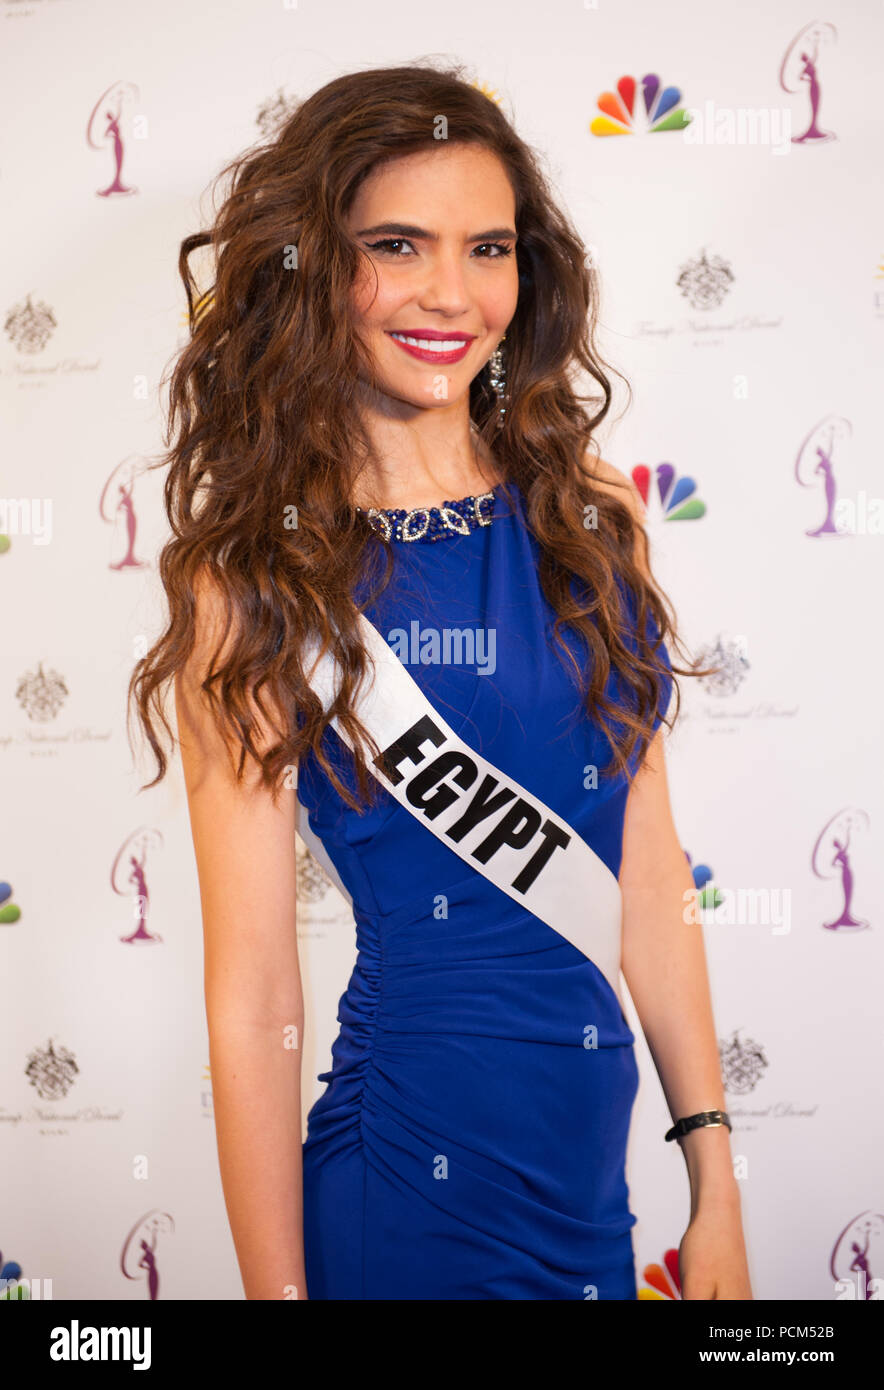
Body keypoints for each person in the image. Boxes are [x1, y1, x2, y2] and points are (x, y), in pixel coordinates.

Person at [130, 61, 753, 1301]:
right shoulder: (255, 582)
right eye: (396, 245)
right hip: (402, 1193)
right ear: (315, 267)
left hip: (591, 1199)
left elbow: (646, 883)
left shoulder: (591, 521)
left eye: (488, 248)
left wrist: (713, 1180)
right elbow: (254, 998)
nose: (449, 293)